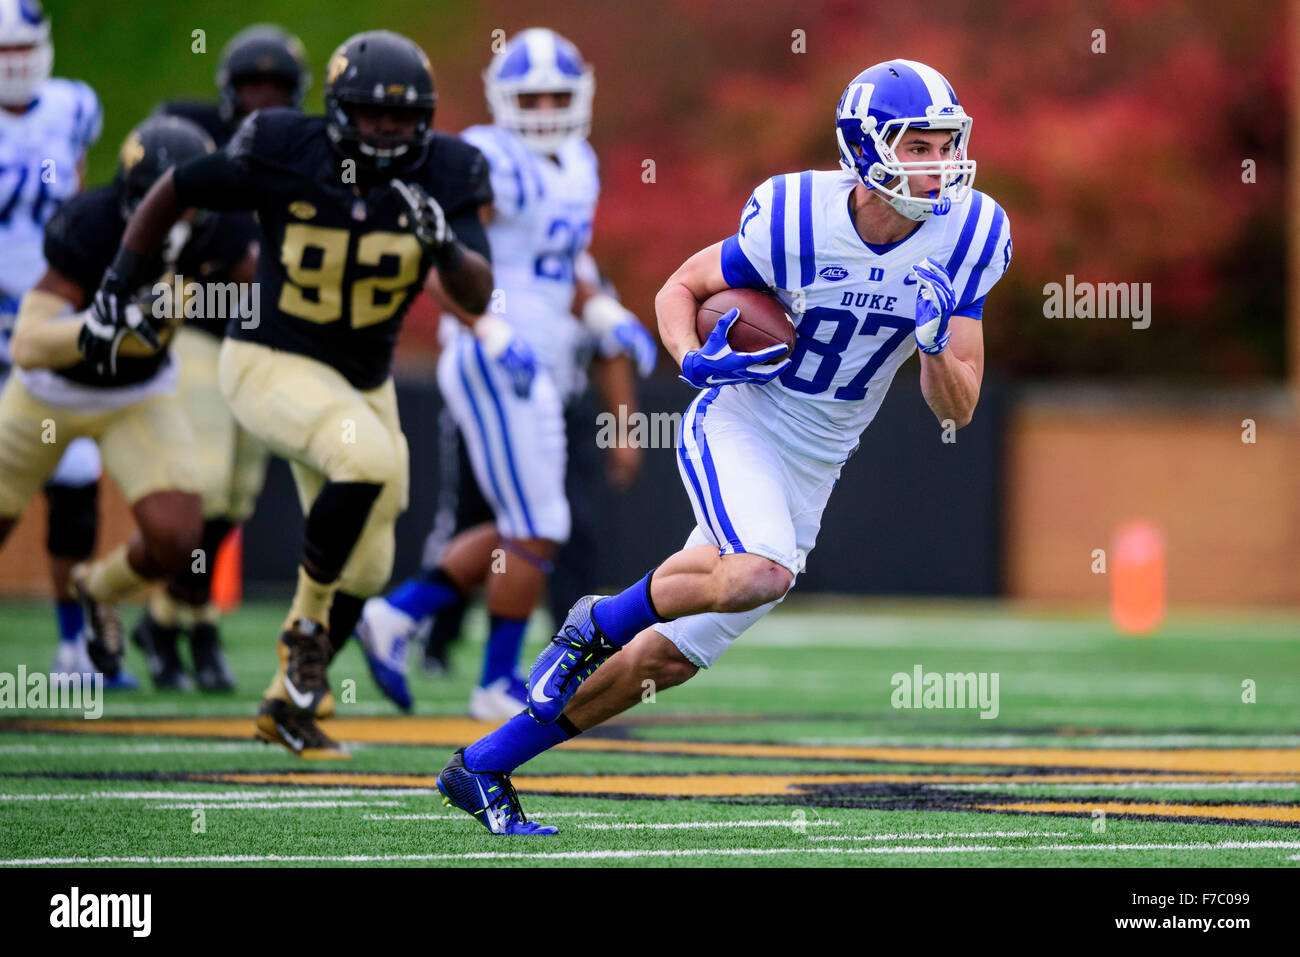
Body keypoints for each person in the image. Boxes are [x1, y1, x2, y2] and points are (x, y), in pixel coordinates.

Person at [434, 59, 1013, 834]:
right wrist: (689, 355)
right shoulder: (796, 217)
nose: (939, 162)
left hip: (821, 455)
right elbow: (681, 287)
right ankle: (595, 621)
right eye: (916, 145)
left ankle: (483, 765)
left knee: (664, 660)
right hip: (743, 418)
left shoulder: (970, 232)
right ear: (865, 151)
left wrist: (938, 343)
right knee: (757, 572)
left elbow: (959, 406)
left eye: (946, 142)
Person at [96, 30, 496, 758]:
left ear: (427, 119)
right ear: (338, 110)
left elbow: (476, 293)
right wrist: (118, 285)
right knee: (367, 460)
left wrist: (447, 248)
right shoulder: (287, 146)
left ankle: (286, 706)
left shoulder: (450, 169)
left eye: (402, 119)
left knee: (371, 566)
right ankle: (304, 628)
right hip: (270, 360)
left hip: (363, 380)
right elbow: (176, 188)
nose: (386, 131)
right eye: (371, 115)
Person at [355, 28, 656, 719]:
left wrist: (605, 313)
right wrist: (486, 325)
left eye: (557, 94)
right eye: (531, 95)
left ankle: (396, 616)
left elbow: (568, 265)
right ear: (502, 99)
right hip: (495, 357)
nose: (546, 107)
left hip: (543, 362)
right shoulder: (487, 157)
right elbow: (442, 259)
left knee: (529, 521)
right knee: (541, 520)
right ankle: (494, 680)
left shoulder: (579, 163)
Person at [1, 115, 256, 689]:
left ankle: (100, 589)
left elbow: (251, 288)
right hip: (51, 393)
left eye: (190, 201)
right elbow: (27, 344)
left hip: (137, 394)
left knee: (178, 536)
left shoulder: (219, 231)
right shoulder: (90, 225)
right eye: (168, 201)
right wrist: (99, 325)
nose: (182, 215)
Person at [132, 24, 310, 691]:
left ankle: (176, 617)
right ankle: (185, 622)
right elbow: (146, 182)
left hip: (265, 340)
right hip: (203, 330)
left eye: (276, 89)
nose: (262, 101)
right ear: (228, 93)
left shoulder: (310, 147)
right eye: (250, 88)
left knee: (236, 497)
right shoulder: (191, 130)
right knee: (205, 484)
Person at [0, 0, 109, 681]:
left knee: (75, 473)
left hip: (50, 323)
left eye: (20, 52)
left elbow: (81, 196)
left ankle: (77, 643)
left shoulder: (72, 107)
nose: (12, 66)